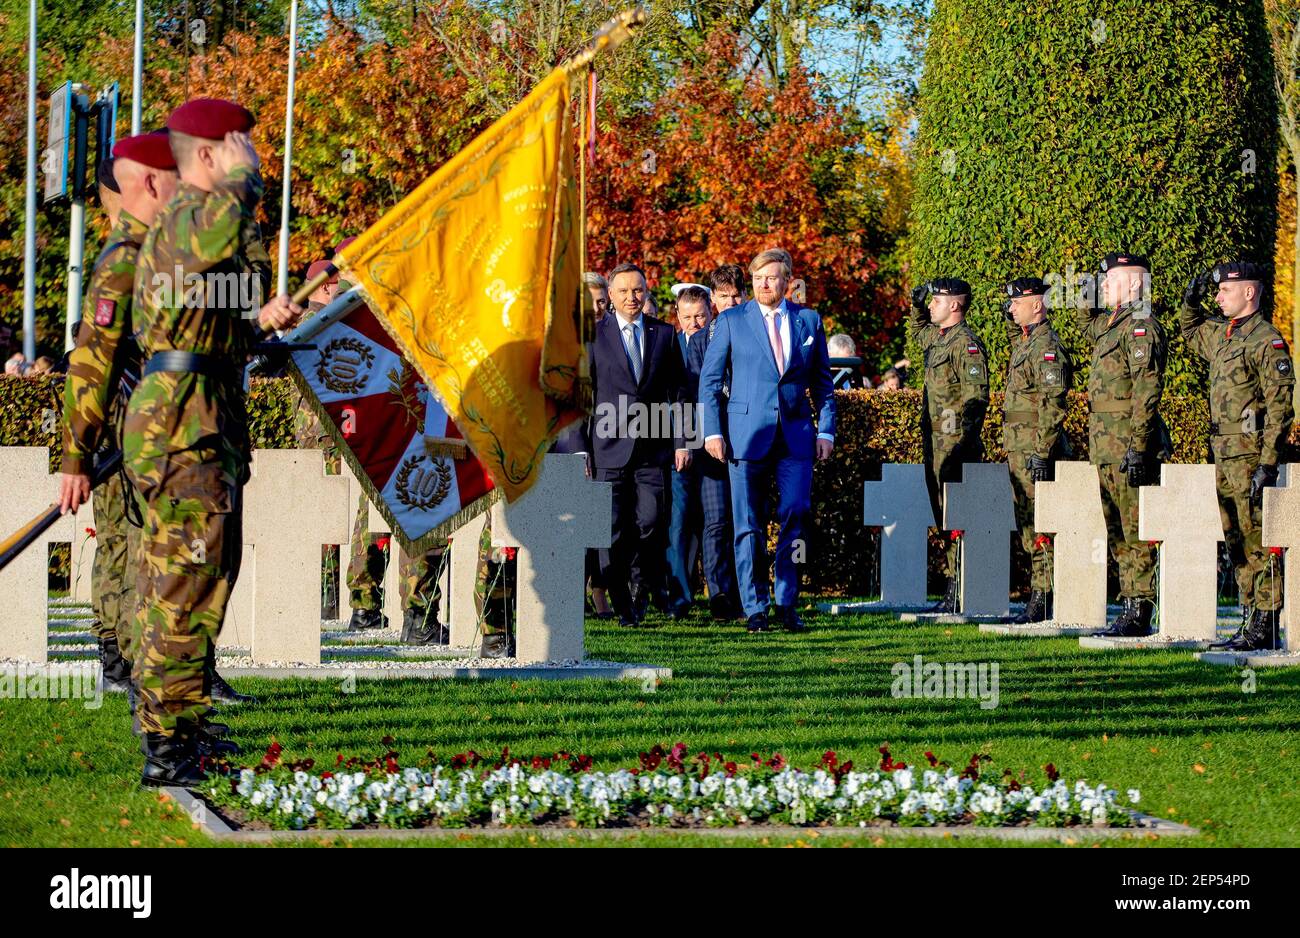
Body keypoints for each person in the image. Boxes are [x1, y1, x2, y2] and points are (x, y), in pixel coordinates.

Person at [126, 98, 302, 786]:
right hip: (182, 429)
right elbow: (226, 221)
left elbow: (218, 318)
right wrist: (242, 177)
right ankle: (166, 747)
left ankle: (185, 725)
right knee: (183, 587)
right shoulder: (189, 218)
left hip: (201, 422)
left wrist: (262, 330)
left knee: (200, 583)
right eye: (238, 145)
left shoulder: (198, 230)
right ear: (207, 155)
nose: (250, 157)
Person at [57, 138, 175, 702]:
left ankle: (155, 664)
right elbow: (92, 361)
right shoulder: (120, 260)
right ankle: (126, 659)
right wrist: (77, 455)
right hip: (125, 423)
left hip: (165, 424)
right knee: (128, 541)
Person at [699, 248, 835, 633]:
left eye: (771, 278)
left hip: (796, 438)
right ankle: (755, 606)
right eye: (757, 278)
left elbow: (823, 383)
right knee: (747, 525)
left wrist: (825, 430)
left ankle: (787, 602)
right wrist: (712, 431)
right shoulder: (730, 321)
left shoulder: (808, 321)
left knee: (795, 515)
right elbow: (709, 383)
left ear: (787, 282)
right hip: (745, 438)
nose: (763, 284)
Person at [1184, 262, 1294, 651]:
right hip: (1224, 452)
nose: (1218, 298)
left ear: (1249, 293)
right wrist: (1190, 301)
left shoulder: (1267, 340)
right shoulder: (1226, 336)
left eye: (1224, 292)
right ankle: (1250, 618)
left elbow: (1280, 408)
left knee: (1258, 540)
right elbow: (1191, 331)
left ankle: (1265, 621)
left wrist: (1268, 462)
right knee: (1235, 539)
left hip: (1249, 453)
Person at [583, 262, 689, 627]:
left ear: (646, 293)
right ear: (610, 296)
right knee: (610, 529)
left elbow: (679, 393)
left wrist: (683, 442)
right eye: (624, 291)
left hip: (652, 448)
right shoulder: (594, 337)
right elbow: (583, 398)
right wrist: (581, 449)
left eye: (638, 290)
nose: (632, 297)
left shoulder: (664, 335)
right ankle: (622, 605)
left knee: (651, 521)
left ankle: (641, 586)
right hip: (607, 448)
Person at [1082, 253, 1169, 638]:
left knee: (1135, 528)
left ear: (1134, 285)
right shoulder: (1112, 324)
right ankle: (1129, 603)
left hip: (1127, 444)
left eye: (1111, 280)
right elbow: (1087, 323)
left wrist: (1139, 446)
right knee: (1115, 528)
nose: (1104, 287)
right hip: (1105, 444)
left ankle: (1141, 608)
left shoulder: (1140, 326)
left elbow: (1146, 392)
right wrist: (1086, 290)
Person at [908, 278, 989, 613]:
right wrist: (916, 305)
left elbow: (976, 397)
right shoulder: (939, 339)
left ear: (955, 305)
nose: (931, 306)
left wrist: (965, 441)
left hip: (953, 442)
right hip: (935, 441)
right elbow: (918, 331)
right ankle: (953, 585)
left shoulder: (965, 344)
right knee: (942, 515)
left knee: (957, 516)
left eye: (936, 301)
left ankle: (961, 587)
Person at [664, 284, 738, 619]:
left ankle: (719, 593)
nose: (694, 322)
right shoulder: (669, 345)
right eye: (687, 317)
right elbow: (676, 396)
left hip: (715, 444)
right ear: (677, 317)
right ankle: (679, 596)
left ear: (710, 313)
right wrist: (681, 442)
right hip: (682, 446)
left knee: (717, 519)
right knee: (680, 522)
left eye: (700, 316)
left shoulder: (720, 341)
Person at [1000, 277, 1071, 623]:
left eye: (1017, 302)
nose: (1011, 308)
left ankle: (1044, 596)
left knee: (1041, 524)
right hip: (1019, 447)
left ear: (1038, 304)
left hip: (1034, 449)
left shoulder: (1047, 347)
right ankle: (1038, 593)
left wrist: (1043, 451)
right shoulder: (1027, 343)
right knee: (1027, 522)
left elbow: (1053, 403)